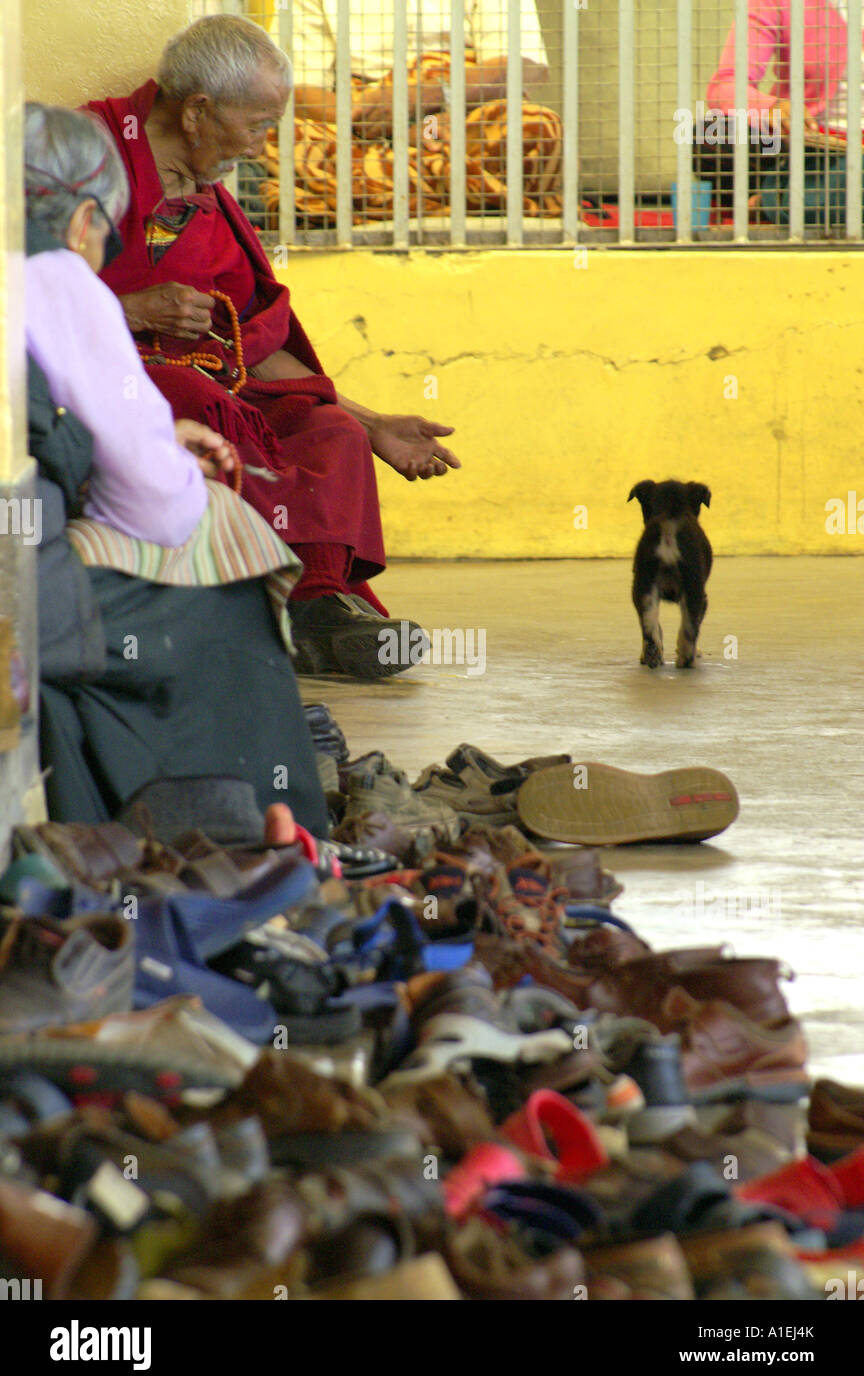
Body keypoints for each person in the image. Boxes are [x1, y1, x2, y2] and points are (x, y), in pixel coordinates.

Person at [84, 14, 462, 679]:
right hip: (114, 375)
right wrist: (131, 307)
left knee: (328, 430)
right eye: (256, 126)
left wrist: (372, 424)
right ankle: (267, 609)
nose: (261, 147)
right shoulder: (92, 151)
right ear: (198, 112)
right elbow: (25, 286)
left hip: (221, 382)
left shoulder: (206, 198)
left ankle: (314, 606)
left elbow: (252, 342)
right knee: (197, 398)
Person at [25, 101, 328, 834]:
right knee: (232, 569)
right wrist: (170, 465)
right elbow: (159, 508)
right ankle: (258, 832)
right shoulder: (57, 277)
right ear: (81, 222)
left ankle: (105, 825)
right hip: (22, 582)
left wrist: (123, 450)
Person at [262, 0, 562, 225]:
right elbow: (296, 85)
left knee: (540, 127)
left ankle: (381, 193)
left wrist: (429, 98)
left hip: (465, 109)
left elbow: (524, 66)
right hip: (362, 122)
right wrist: (374, 117)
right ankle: (467, 191)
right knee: (273, 135)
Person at [706, 0, 864, 226]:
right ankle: (798, 200)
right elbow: (725, 85)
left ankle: (776, 203)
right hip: (810, 147)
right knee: (710, 135)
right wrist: (770, 107)